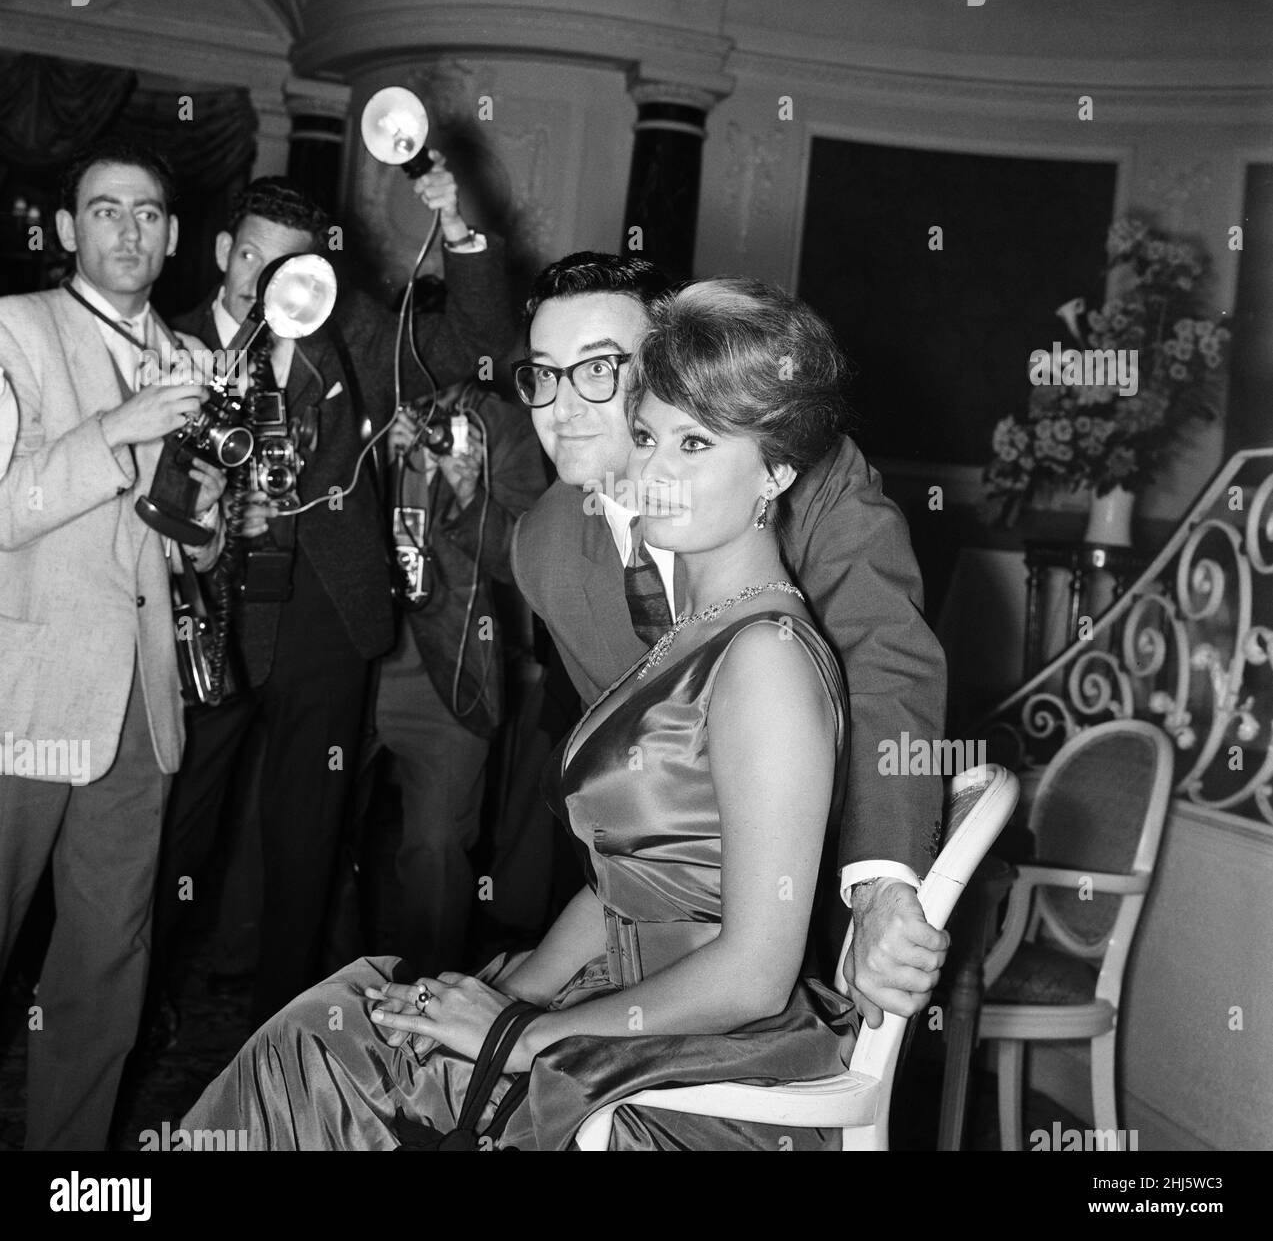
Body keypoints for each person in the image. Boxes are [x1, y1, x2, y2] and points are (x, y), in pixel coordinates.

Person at [183, 277, 862, 1149]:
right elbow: (630, 875)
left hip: (698, 1054)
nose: (654, 472)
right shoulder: (695, 629)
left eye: (696, 444)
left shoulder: (762, 656)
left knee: (328, 1047)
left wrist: (518, 1034)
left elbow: (758, 975)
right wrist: (522, 991)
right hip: (626, 1005)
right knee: (354, 1016)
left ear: (774, 468)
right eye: (649, 436)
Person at [509, 253, 951, 1023]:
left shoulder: (807, 471)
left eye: (598, 370)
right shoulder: (543, 544)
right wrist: (520, 1001)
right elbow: (643, 809)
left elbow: (886, 663)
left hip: (807, 911)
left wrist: (881, 885)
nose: (562, 407)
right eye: (542, 374)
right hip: (651, 928)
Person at [153, 161, 512, 1025]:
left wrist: (460, 234)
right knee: (177, 828)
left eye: (288, 267)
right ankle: (144, 999)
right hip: (206, 619)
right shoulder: (165, 344)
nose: (262, 281)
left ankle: (282, 1031)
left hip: (323, 614)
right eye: (250, 257)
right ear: (220, 252)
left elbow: (475, 342)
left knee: (307, 843)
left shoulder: (352, 331)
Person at [0, 137, 225, 1150]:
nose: (128, 229)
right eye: (103, 210)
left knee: (105, 958)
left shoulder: (192, 361)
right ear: (63, 231)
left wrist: (211, 519)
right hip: (27, 694)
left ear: (173, 236)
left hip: (142, 702)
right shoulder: (16, 330)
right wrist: (124, 426)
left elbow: (170, 546)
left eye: (146, 213)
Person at [363, 369, 547, 973]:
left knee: (437, 850)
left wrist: (470, 492)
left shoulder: (503, 426)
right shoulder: (359, 399)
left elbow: (524, 556)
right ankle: (326, 995)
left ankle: (427, 1002)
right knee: (315, 835)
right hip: (348, 660)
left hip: (448, 662)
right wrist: (370, 470)